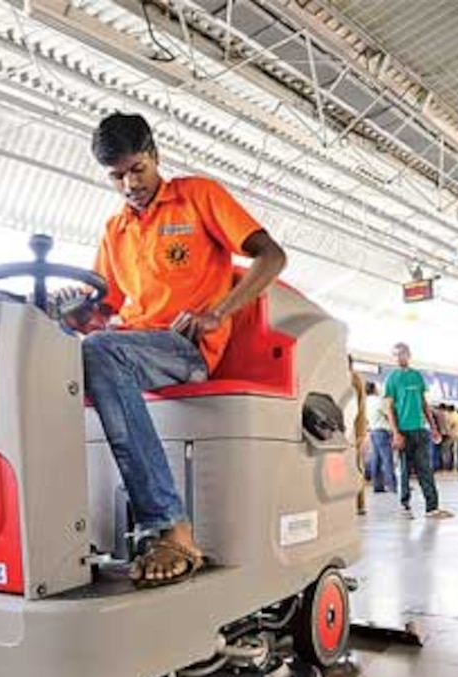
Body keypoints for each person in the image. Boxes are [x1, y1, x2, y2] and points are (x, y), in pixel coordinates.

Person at [76, 112, 287, 586]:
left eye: (137, 170)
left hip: (185, 349)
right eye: (117, 176)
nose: (130, 184)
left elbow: (271, 255)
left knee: (98, 352)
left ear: (155, 156)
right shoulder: (115, 230)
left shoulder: (198, 197)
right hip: (130, 346)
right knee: (60, 359)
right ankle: (72, 528)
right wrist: (70, 314)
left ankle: (170, 526)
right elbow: (100, 310)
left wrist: (220, 311)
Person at [383, 343, 452, 519]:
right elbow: (389, 408)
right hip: (403, 431)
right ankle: (404, 506)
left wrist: (434, 427)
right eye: (395, 355)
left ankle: (432, 508)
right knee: (404, 470)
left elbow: (423, 404)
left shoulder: (417, 376)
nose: (399, 357)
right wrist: (396, 432)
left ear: (408, 355)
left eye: (402, 354)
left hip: (420, 431)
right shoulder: (391, 379)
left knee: (425, 470)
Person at [365, 380, 396, 493]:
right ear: (374, 389)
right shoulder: (378, 401)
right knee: (387, 460)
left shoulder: (365, 402)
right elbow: (388, 414)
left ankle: (377, 486)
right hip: (382, 432)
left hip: (372, 431)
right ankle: (392, 486)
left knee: (376, 460)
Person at [350, 357, 368, 515]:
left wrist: (361, 433)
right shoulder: (355, 377)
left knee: (355, 466)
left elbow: (360, 407)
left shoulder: (353, 377)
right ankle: (357, 504)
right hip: (352, 430)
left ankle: (359, 504)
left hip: (352, 430)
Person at [446, 405, 458, 471]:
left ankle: (453, 466)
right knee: (457, 451)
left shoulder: (451, 416)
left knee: (452, 451)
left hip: (452, 435)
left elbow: (450, 425)